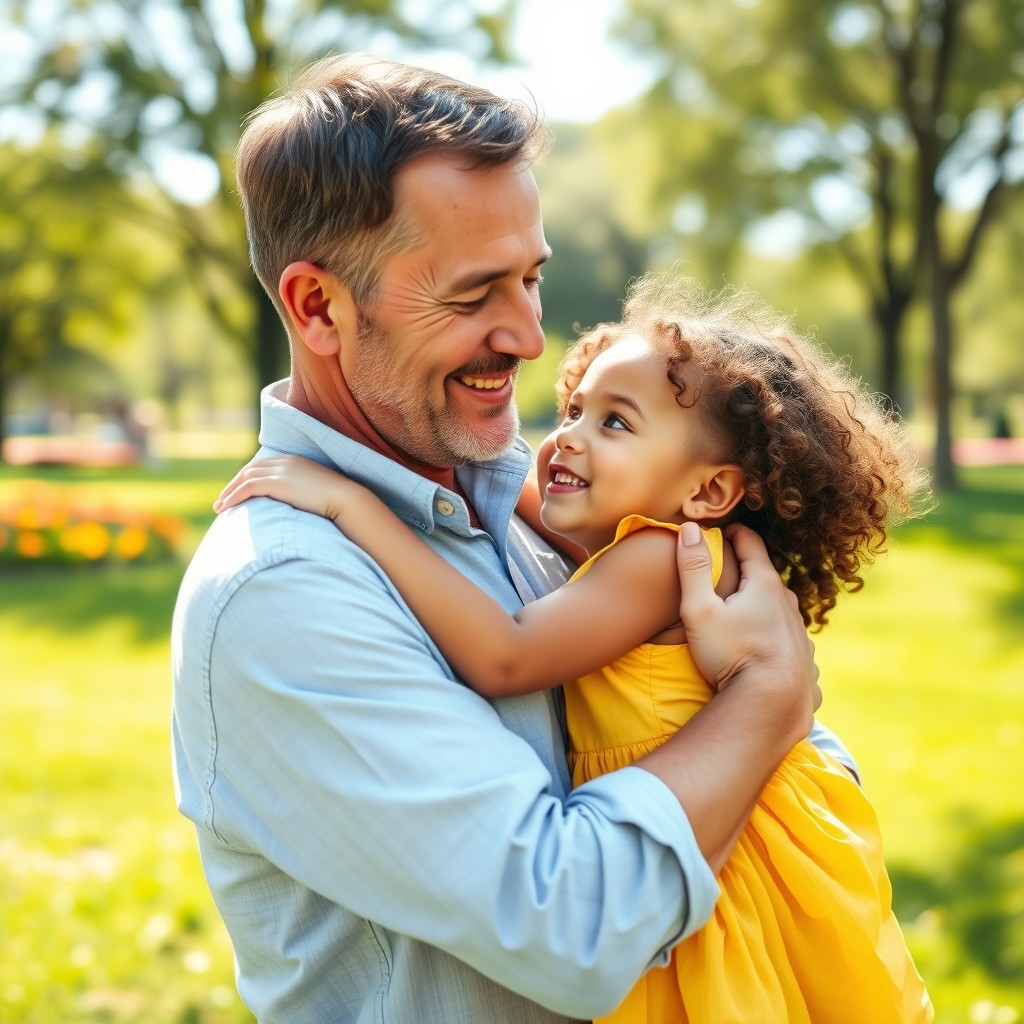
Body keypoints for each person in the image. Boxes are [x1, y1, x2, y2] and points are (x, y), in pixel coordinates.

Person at [172, 53, 835, 1023]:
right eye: (474, 292)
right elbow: (572, 923)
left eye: (530, 278)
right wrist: (766, 702)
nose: (531, 337)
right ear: (319, 306)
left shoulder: (538, 503)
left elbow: (786, 744)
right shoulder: (281, 590)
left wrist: (773, 712)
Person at [215, 273, 934, 1023]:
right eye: (573, 408)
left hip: (723, 865)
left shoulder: (663, 561)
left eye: (616, 424)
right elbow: (508, 485)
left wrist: (351, 503)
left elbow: (506, 656)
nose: (567, 437)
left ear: (710, 491)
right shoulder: (641, 538)